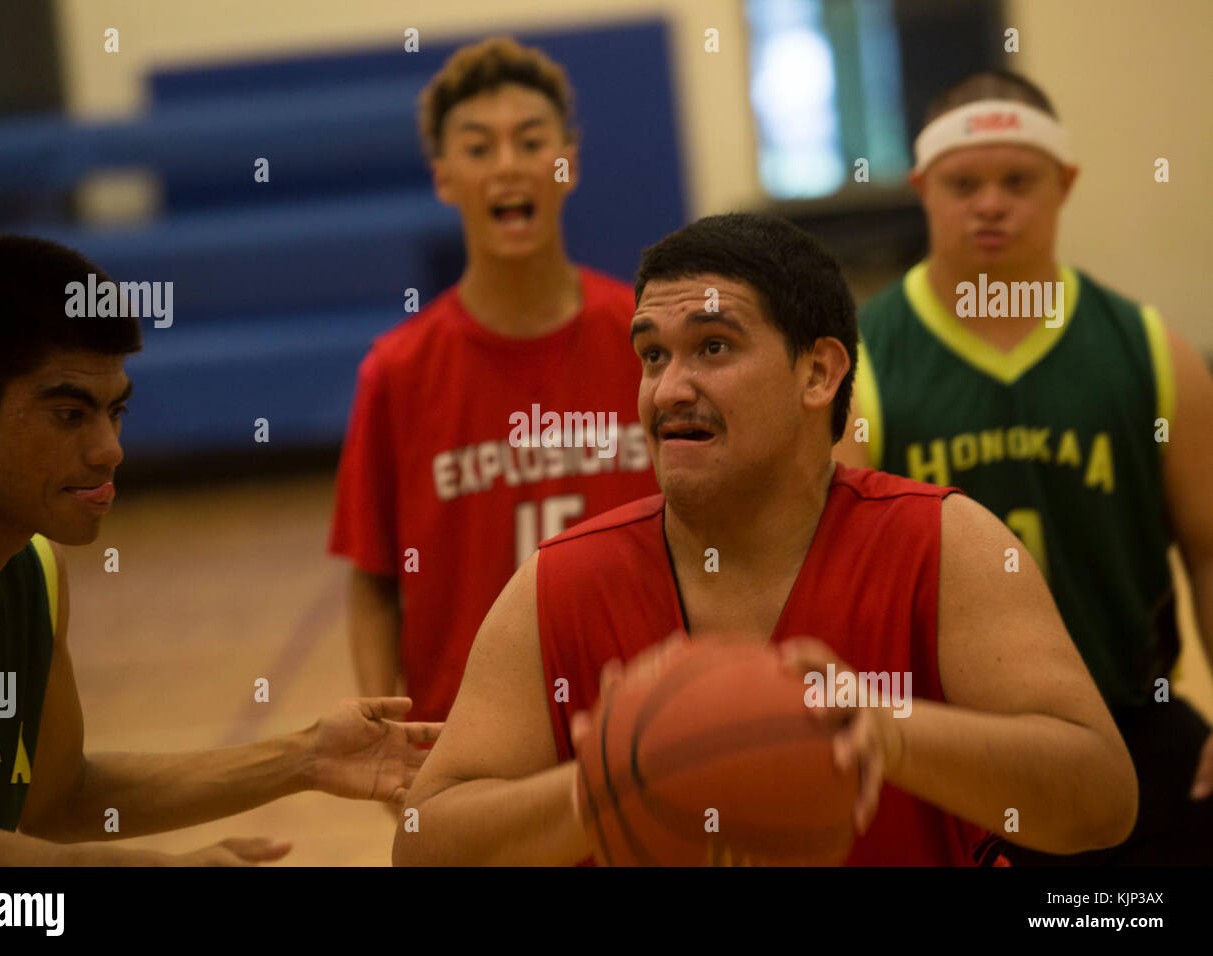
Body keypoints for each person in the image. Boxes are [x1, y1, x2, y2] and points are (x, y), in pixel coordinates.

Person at [393, 212, 1137, 866]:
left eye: (713, 347)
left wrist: (889, 734)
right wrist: (610, 788)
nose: (669, 389)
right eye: (653, 355)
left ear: (818, 372)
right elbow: (425, 843)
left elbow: (1101, 801)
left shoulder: (944, 542)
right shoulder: (561, 581)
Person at [0, 236, 438, 865]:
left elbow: (59, 798)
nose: (110, 449)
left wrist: (305, 757)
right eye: (69, 415)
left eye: (115, 411)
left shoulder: (34, 573)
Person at [834, 70, 1213, 864]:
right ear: (923, 189)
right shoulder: (864, 361)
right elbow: (835, 565)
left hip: (1130, 724)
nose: (991, 203)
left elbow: (1209, 549)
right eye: (964, 182)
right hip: (949, 749)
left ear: (1065, 183)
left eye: (1018, 180)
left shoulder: (1151, 352)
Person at [328, 37, 657, 731]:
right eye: (479, 149)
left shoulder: (648, 338)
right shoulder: (397, 371)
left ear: (567, 161)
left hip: (645, 727)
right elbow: (373, 581)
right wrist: (386, 732)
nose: (508, 166)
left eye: (531, 142)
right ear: (444, 177)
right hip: (470, 743)